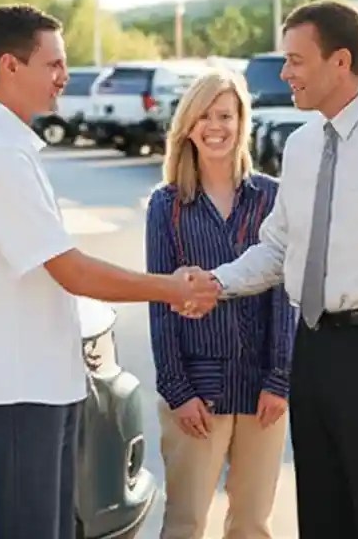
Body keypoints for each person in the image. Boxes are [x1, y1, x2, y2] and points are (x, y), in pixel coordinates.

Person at [0, 3, 220, 539]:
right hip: (18, 385)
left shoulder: (9, 147)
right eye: (54, 65)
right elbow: (70, 270)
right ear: (10, 66)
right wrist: (169, 288)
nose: (64, 78)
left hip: (38, 379)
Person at [192, 0, 358, 539]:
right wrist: (216, 283)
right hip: (312, 349)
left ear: (340, 62)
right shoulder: (300, 145)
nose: (285, 72)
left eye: (295, 60)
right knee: (321, 514)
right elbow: (278, 248)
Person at [146, 68, 296, 539]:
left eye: (226, 115)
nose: (216, 126)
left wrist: (280, 379)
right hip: (197, 392)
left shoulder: (272, 197)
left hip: (263, 392)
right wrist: (177, 390)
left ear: (242, 122)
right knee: (186, 522)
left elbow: (284, 292)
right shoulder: (166, 206)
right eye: (205, 115)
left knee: (252, 523)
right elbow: (160, 302)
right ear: (188, 126)